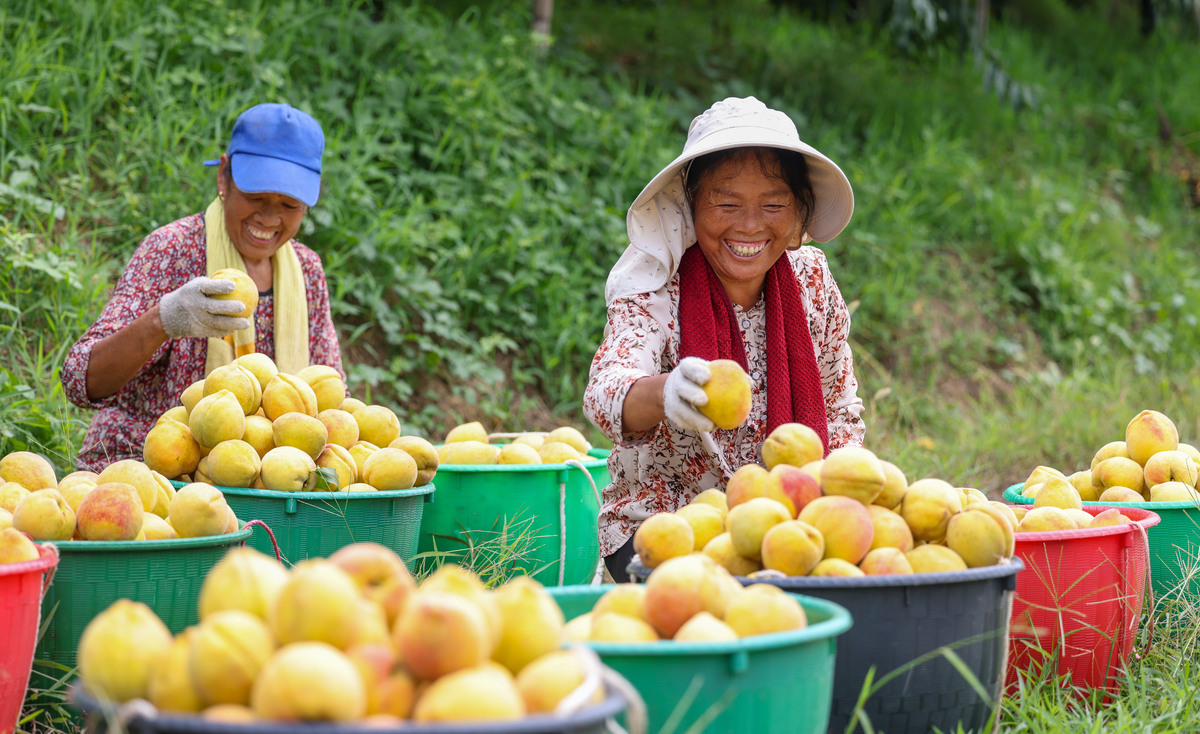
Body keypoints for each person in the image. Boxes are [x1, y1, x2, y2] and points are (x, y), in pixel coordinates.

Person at [583, 96, 867, 581]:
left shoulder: (811, 280)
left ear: (799, 214)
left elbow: (839, 406)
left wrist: (841, 497)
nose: (750, 225)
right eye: (727, 202)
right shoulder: (655, 281)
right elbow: (606, 393)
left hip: (785, 526)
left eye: (773, 204)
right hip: (665, 526)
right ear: (691, 207)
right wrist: (668, 392)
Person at [62, 103, 344, 471]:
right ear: (223, 177)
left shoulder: (306, 271)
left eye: (289, 205)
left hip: (255, 479)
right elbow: (81, 380)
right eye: (256, 197)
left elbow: (329, 393)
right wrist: (164, 319)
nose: (270, 218)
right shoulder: (174, 250)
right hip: (145, 469)